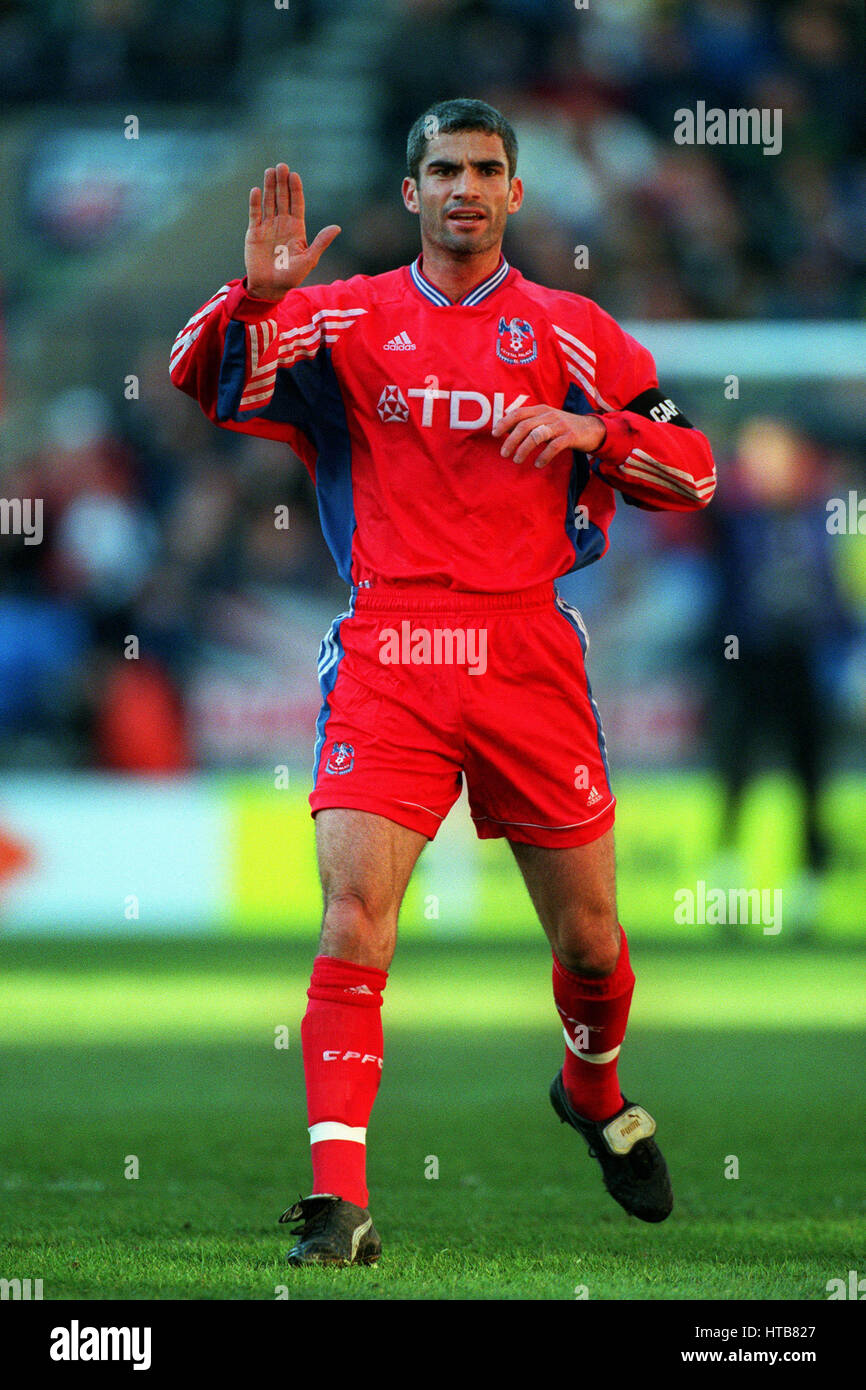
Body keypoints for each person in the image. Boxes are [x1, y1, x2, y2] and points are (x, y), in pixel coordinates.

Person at [170, 98, 716, 1267]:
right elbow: (201, 379)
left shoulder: (577, 333)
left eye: (483, 168)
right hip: (390, 649)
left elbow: (697, 472)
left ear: (516, 194)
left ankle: (589, 1085)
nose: (462, 187)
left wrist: (591, 438)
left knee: (587, 942)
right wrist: (255, 299)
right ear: (410, 191)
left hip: (526, 653)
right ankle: (338, 1203)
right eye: (440, 169)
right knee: (354, 916)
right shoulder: (341, 316)